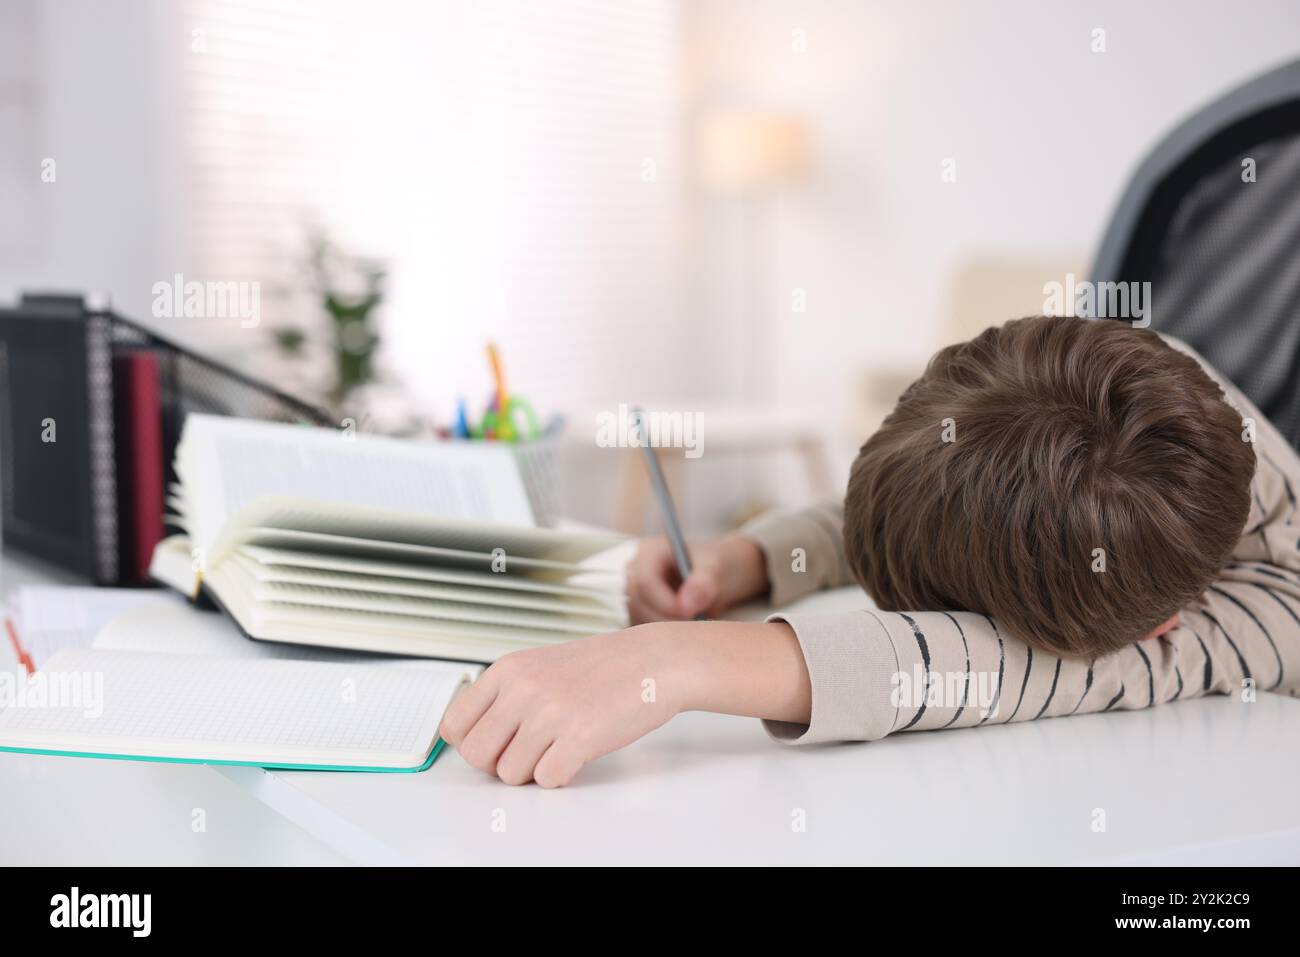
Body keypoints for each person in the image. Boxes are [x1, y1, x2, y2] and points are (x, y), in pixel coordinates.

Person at [439, 316, 1300, 787]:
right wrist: (752, 557)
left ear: (1158, 624)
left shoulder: (1278, 616)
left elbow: (1001, 671)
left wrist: (675, 661)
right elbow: (919, 504)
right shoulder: (1107, 374)